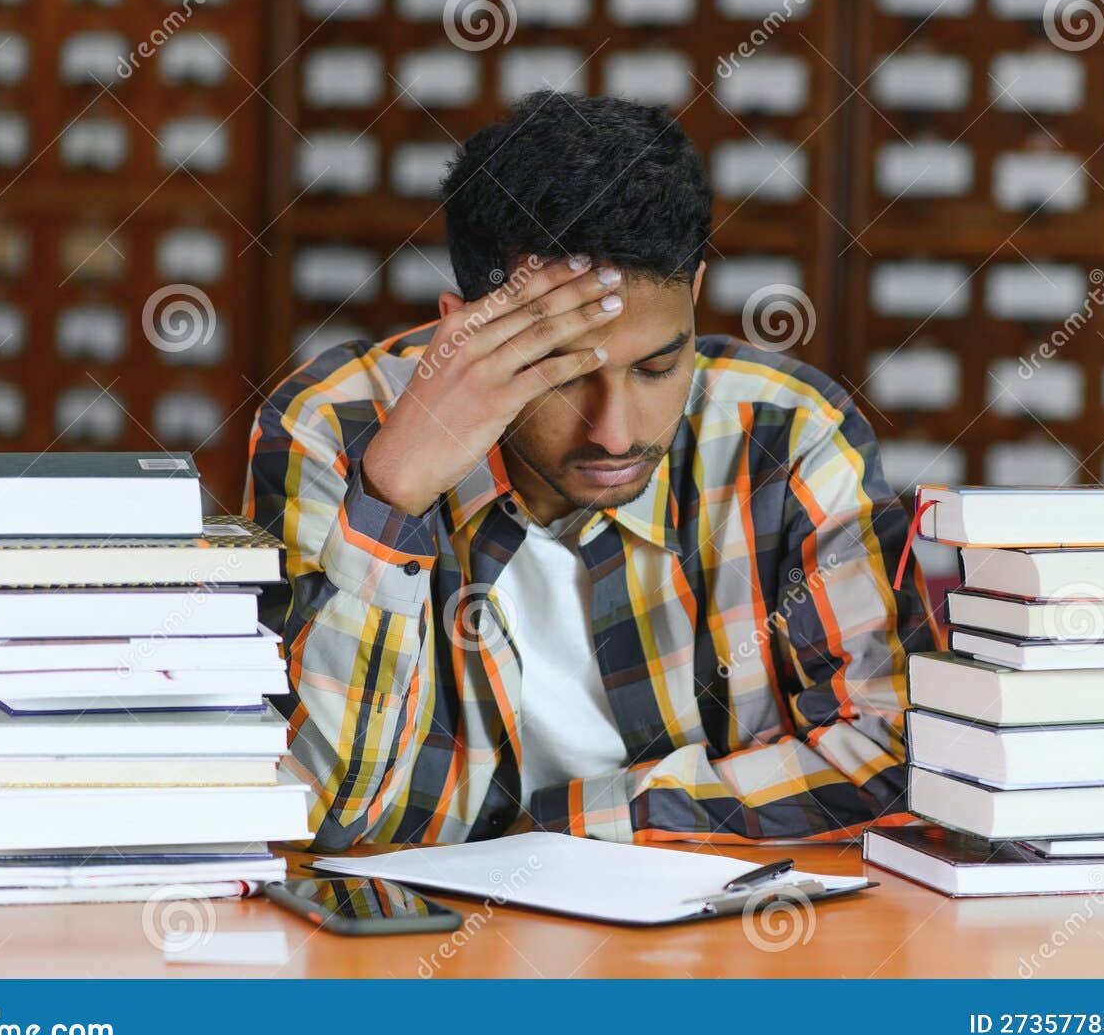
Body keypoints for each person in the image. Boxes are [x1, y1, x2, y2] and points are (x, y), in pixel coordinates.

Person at [246, 91, 932, 849]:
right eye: (564, 373)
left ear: (697, 297)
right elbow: (313, 815)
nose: (617, 433)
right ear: (460, 331)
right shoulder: (331, 431)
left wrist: (556, 827)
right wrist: (390, 498)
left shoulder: (788, 435)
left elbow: (895, 758)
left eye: (659, 365)